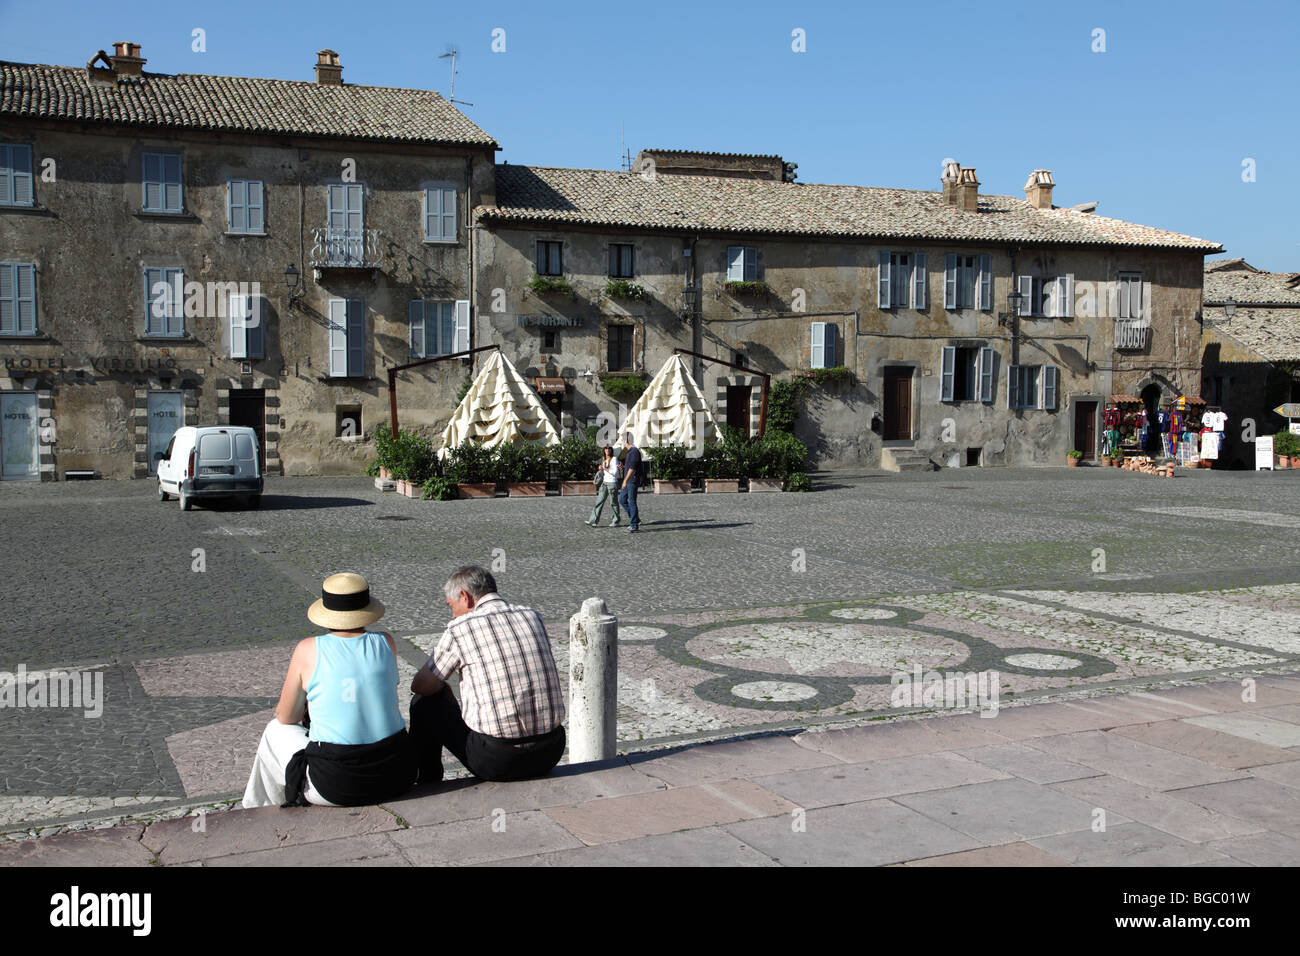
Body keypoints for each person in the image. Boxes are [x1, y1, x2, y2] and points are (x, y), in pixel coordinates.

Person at [242, 572, 417, 808]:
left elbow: (286, 717)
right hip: (397, 776)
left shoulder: (308, 649)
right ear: (366, 608)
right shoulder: (386, 642)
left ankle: (259, 810)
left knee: (274, 730)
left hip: (336, 786)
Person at [409, 567, 566, 783]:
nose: (453, 614)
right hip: (551, 751)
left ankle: (427, 781)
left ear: (465, 597)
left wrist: (443, 689)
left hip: (498, 760)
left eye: (451, 606)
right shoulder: (532, 616)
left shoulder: (460, 628)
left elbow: (421, 685)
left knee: (424, 703)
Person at [586, 445, 621, 527]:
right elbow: (605, 471)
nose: (607, 451)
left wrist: (604, 468)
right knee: (599, 501)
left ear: (611, 451)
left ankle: (616, 521)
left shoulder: (614, 459)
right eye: (605, 450)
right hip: (605, 483)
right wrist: (601, 468)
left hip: (612, 483)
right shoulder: (604, 459)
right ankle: (593, 520)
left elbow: (614, 472)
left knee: (613, 503)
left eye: (609, 450)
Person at [618, 433, 642, 533]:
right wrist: (623, 468)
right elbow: (630, 467)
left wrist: (624, 481)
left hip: (631, 481)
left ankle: (634, 525)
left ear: (626, 441)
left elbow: (632, 469)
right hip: (629, 480)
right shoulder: (629, 452)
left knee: (632, 501)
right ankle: (635, 518)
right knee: (622, 500)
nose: (621, 442)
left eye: (622, 440)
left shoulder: (634, 451)